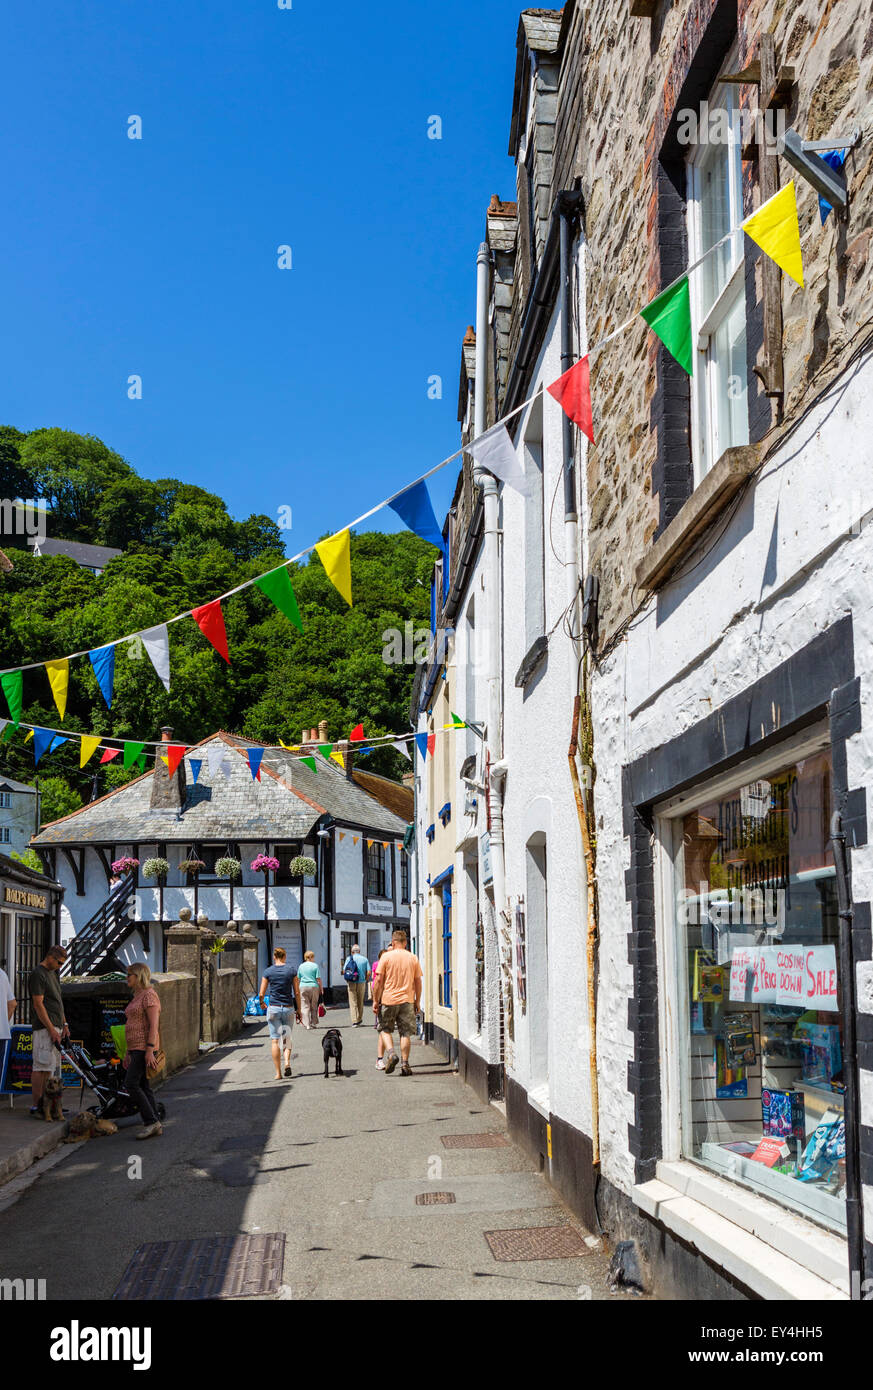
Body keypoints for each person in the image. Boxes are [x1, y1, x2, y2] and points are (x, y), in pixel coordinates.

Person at [372, 928, 422, 1076]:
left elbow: (379, 980)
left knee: (384, 1029)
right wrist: (417, 1001)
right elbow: (418, 981)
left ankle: (392, 1054)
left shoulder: (386, 958)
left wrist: (376, 1000)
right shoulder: (413, 958)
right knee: (405, 1032)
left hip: (388, 999)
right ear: (405, 943)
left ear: (393, 943)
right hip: (407, 1000)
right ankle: (405, 1064)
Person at [124, 962, 163, 1139]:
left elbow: (154, 1025)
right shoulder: (137, 996)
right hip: (135, 1048)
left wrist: (149, 1050)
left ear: (138, 976)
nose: (126, 978)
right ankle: (155, 1121)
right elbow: (132, 1025)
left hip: (143, 1047)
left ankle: (151, 1121)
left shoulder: (149, 996)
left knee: (131, 1084)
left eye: (129, 975)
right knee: (143, 1086)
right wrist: (127, 1052)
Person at [29, 945, 69, 1116]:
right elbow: (38, 1004)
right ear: (51, 957)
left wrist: (64, 1024)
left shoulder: (54, 974)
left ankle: (50, 1105)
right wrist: (51, 1028)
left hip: (56, 1026)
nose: (60, 966)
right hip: (44, 1028)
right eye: (59, 962)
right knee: (41, 1066)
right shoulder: (38, 974)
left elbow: (58, 1001)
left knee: (51, 1067)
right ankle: (38, 1106)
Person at [259, 947, 301, 1078]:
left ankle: (278, 1073)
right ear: (285, 956)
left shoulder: (268, 972)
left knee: (274, 1041)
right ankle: (287, 1063)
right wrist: (298, 1009)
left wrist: (262, 1002)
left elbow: (261, 993)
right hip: (288, 1007)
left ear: (274, 957)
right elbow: (297, 992)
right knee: (287, 1037)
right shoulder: (291, 971)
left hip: (273, 1008)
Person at [343, 942, 370, 1026]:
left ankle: (355, 1021)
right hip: (361, 982)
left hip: (351, 982)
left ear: (352, 952)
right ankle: (359, 1018)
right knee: (360, 1001)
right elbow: (369, 972)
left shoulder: (349, 959)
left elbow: (344, 970)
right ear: (359, 951)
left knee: (353, 1001)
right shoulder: (364, 959)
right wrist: (365, 979)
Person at [371, 948, 390, 1069]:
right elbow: (376, 978)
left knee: (384, 1029)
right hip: (382, 994)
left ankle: (384, 1057)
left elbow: (375, 977)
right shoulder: (381, 964)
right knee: (384, 1028)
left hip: (387, 997)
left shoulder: (381, 964)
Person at [297, 951, 322, 1029]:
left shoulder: (301, 966)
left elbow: (298, 978)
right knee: (314, 1005)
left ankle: (307, 1024)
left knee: (304, 1006)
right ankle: (314, 1023)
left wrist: (297, 988)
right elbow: (318, 979)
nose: (314, 959)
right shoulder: (315, 966)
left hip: (303, 987)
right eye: (313, 957)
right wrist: (321, 988)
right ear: (311, 957)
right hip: (314, 987)